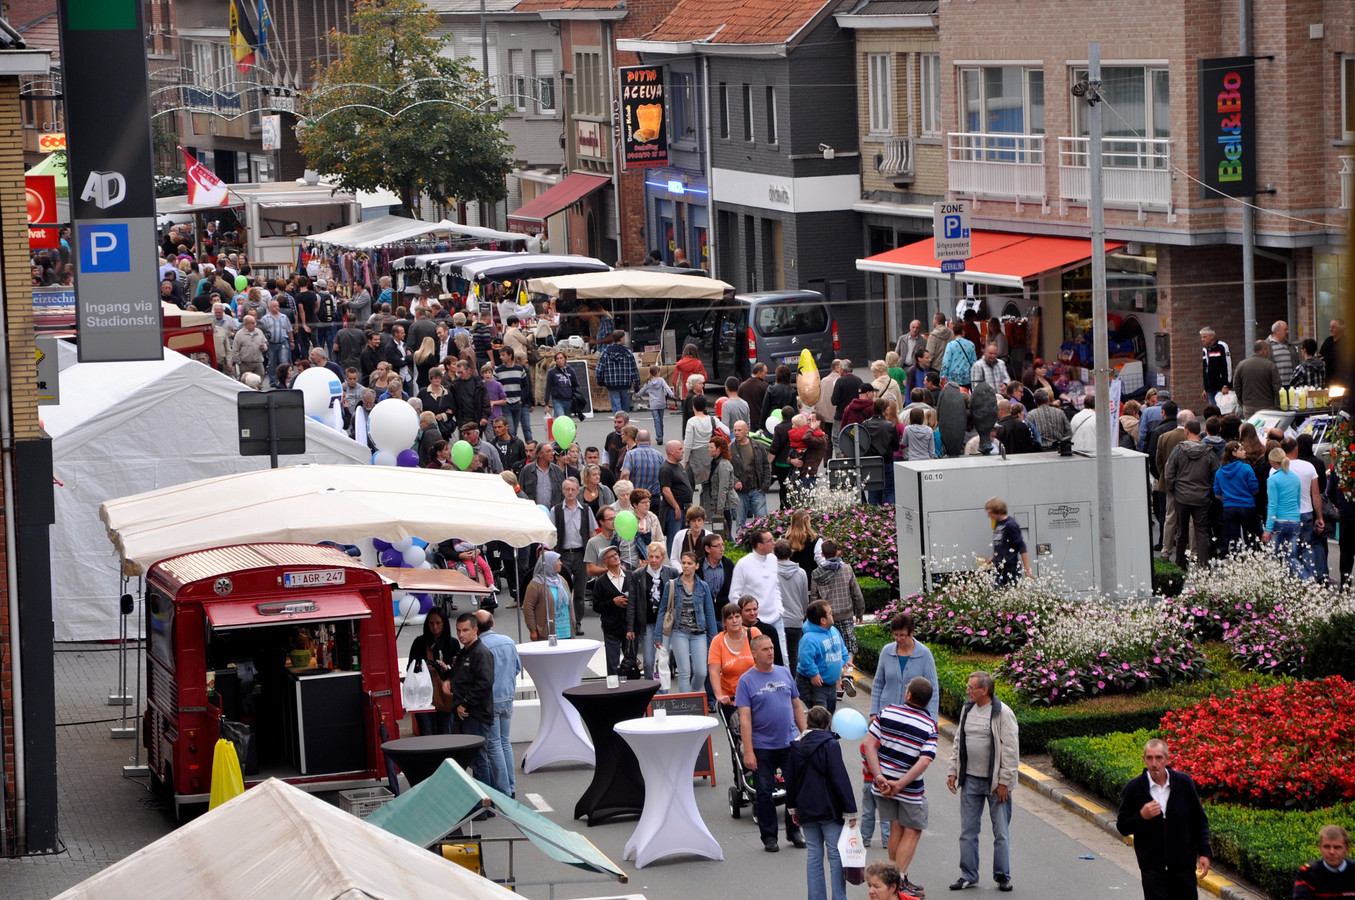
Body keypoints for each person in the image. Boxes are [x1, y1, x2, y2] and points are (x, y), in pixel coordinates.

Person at [865, 676, 939, 900]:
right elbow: (924, 761)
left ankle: (895, 879)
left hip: (883, 785)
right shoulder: (929, 726)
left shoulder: (887, 712)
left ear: (908, 695)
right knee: (913, 829)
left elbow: (869, 744)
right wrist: (900, 784)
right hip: (909, 789)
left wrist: (879, 776)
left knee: (896, 827)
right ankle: (897, 881)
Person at [946, 671, 1020, 893]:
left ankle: (1002, 875)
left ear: (984, 690)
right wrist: (953, 770)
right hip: (970, 780)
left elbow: (1011, 750)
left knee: (1001, 832)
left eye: (971, 688)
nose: (967, 691)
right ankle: (968, 875)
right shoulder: (967, 709)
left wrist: (1004, 782)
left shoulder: (1003, 713)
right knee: (967, 831)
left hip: (996, 784)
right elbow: (959, 741)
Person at [736, 633, 808, 853]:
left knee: (795, 789)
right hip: (762, 746)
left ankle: (794, 831)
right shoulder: (746, 681)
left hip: (789, 742)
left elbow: (796, 706)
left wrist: (806, 735)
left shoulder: (784, 673)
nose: (770, 652)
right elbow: (745, 719)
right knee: (764, 793)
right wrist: (749, 751)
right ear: (754, 654)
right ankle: (769, 837)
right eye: (765, 649)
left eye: (772, 648)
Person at [1116, 738, 1213, 900]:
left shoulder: (1183, 783)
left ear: (1168, 759)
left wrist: (1204, 852)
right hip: (1153, 871)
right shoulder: (1134, 788)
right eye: (1149, 758)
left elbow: (1199, 821)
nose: (1154, 763)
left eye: (1159, 758)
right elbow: (1123, 826)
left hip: (1183, 869)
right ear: (1144, 759)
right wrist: (1141, 816)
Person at [788, 705, 859, 900]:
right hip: (829, 808)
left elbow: (791, 780)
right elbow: (839, 778)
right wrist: (850, 810)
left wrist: (793, 809)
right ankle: (839, 897)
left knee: (813, 854)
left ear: (808, 722)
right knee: (835, 855)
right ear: (827, 724)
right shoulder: (830, 745)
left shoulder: (795, 746)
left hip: (806, 808)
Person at [654, 550, 717, 692]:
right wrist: (658, 636)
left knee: (701, 672)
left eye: (689, 563)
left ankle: (693, 694)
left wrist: (713, 638)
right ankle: (687, 702)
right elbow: (662, 610)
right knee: (684, 672)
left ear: (696, 566)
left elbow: (709, 613)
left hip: (699, 633)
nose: (686, 566)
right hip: (679, 631)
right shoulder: (672, 585)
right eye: (683, 563)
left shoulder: (703, 586)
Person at [1161, 419, 1220, 569]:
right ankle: (1203, 565)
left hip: (1182, 496)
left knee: (1181, 532)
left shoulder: (1178, 450)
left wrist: (1174, 489)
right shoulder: (1208, 452)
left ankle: (1180, 564)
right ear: (1199, 431)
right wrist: (1210, 493)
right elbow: (1215, 474)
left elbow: (1169, 473)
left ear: (1186, 431)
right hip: (1201, 497)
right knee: (1201, 532)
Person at [474, 609, 521, 797]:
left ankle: (504, 790)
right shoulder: (508, 641)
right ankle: (510, 786)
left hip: (490, 700)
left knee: (494, 745)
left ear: (475, 628)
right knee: (504, 742)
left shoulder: (479, 646)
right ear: (492, 623)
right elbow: (517, 668)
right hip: (507, 696)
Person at [447, 613, 495, 784]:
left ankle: (485, 798)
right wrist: (448, 680)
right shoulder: (464, 652)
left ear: (475, 629)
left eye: (465, 630)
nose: (461, 635)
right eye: (458, 630)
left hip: (476, 714)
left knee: (478, 759)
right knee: (473, 758)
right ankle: (487, 796)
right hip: (464, 712)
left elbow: (485, 682)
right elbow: (460, 677)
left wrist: (465, 704)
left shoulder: (481, 653)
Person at [730, 528, 787, 663]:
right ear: (760, 545)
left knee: (783, 660)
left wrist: (779, 609)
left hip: (776, 619)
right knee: (755, 661)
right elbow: (734, 595)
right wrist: (745, 616)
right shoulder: (743, 564)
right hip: (754, 623)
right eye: (770, 540)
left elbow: (776, 586)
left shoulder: (773, 559)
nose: (774, 543)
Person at [809, 540, 865, 661]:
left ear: (822, 554)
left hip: (826, 618)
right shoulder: (847, 569)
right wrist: (859, 613)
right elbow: (857, 594)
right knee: (849, 648)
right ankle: (848, 670)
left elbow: (813, 598)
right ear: (837, 553)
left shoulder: (816, 574)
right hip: (845, 615)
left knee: (830, 649)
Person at [552, 478, 595, 634]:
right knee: (562, 590)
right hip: (563, 554)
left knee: (580, 591)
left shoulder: (586, 510)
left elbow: (592, 533)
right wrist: (553, 555)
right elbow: (552, 534)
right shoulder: (556, 510)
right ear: (563, 490)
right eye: (567, 489)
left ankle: (577, 623)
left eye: (573, 489)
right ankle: (563, 622)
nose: (570, 492)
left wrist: (592, 557)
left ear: (578, 491)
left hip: (580, 554)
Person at [627, 541, 673, 678]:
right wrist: (630, 627)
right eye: (651, 556)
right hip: (647, 622)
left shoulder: (671, 573)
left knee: (663, 659)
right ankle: (650, 685)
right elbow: (632, 602)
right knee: (648, 661)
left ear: (663, 558)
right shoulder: (638, 575)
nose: (653, 560)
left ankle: (664, 688)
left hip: (664, 623)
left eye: (657, 557)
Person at [407, 609, 456, 735]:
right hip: (423, 696)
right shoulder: (419, 642)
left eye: (438, 623)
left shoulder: (452, 643)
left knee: (445, 732)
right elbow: (410, 668)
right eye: (431, 623)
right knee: (426, 733)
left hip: (444, 694)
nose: (434, 626)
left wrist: (445, 667)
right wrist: (423, 668)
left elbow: (457, 670)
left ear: (444, 623)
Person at [795, 600, 849, 712]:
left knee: (830, 712)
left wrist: (845, 659)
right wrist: (813, 674)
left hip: (831, 684)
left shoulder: (833, 630)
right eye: (830, 613)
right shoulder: (809, 639)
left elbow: (841, 646)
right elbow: (805, 659)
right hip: (815, 685)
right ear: (823, 620)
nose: (832, 614)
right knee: (821, 716)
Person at [708, 601, 762, 708]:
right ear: (724, 622)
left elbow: (765, 660)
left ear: (742, 618)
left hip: (756, 695)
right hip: (732, 699)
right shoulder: (718, 641)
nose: (734, 621)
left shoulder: (754, 633)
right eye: (730, 618)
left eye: (737, 616)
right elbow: (714, 671)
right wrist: (719, 696)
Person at [591, 546, 631, 675]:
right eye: (611, 556)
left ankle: (631, 685)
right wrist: (613, 602)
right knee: (613, 663)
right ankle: (613, 685)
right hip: (611, 627)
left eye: (616, 554)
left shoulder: (631, 576)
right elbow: (596, 606)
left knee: (630, 662)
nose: (615, 557)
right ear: (605, 562)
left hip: (629, 627)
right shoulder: (601, 582)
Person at [1214, 441, 1259, 554]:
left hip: (1229, 507)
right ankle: (1251, 558)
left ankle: (1235, 558)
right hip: (1247, 506)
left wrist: (1226, 499)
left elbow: (1217, 492)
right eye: (1241, 450)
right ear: (1233, 453)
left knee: (1233, 538)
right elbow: (1254, 488)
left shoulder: (1220, 471)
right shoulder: (1246, 468)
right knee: (1250, 537)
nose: (1244, 452)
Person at [1292, 824, 1355, 899]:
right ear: (1320, 848)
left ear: (1347, 849)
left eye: (1337, 847)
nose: (1331, 852)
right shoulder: (1308, 873)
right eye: (1327, 847)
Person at [775, 540, 809, 674]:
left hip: (777, 620)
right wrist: (802, 615)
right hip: (796, 620)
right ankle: (792, 682)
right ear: (791, 552)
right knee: (793, 655)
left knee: (778, 655)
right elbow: (805, 599)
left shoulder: (771, 572)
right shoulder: (801, 573)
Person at [731, 419, 772, 530]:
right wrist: (735, 481)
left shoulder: (758, 446)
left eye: (739, 430)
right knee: (740, 523)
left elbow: (766, 466)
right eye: (734, 430)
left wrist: (765, 486)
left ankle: (761, 540)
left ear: (746, 430)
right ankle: (741, 540)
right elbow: (727, 470)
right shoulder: (731, 448)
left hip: (757, 489)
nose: (736, 433)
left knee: (762, 522)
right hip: (740, 492)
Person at [523, 550, 573, 641]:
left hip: (567, 630)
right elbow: (528, 608)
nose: (561, 563)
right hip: (548, 632)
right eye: (557, 561)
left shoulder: (561, 580)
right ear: (549, 564)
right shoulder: (535, 585)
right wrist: (533, 630)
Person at [984, 497, 1032, 584]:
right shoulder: (998, 524)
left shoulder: (1010, 525)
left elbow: (1021, 545)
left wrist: (1027, 569)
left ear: (998, 511)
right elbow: (1003, 545)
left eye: (990, 512)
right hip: (998, 569)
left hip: (1011, 570)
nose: (989, 515)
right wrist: (994, 558)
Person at [1232, 341, 1282, 418]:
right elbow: (1277, 387)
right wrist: (1277, 404)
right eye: (1268, 350)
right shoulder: (1270, 365)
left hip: (1248, 406)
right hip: (1267, 406)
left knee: (1250, 425)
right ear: (1264, 350)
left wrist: (1241, 402)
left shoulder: (1241, 365)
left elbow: (1236, 385)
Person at [597, 329, 640, 412]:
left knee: (616, 408)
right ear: (621, 339)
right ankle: (624, 420)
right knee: (625, 409)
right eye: (624, 337)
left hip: (611, 384)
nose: (625, 339)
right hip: (625, 384)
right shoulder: (628, 353)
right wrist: (636, 385)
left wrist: (600, 381)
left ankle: (618, 419)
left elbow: (599, 369)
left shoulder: (605, 352)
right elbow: (634, 370)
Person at [659, 439, 694, 540]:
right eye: (680, 449)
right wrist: (676, 507)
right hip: (674, 511)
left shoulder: (678, 465)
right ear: (672, 452)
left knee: (685, 539)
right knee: (674, 539)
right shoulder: (666, 469)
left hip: (685, 508)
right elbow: (666, 490)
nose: (683, 451)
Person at [638, 365, 675, 442]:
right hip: (661, 403)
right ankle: (661, 435)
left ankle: (659, 437)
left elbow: (642, 390)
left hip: (653, 403)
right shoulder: (661, 380)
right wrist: (673, 395)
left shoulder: (648, 382)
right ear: (657, 372)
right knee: (661, 420)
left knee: (656, 420)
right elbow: (667, 388)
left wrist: (637, 395)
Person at [1200, 327, 1232, 407]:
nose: (1202, 339)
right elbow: (1205, 369)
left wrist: (1226, 384)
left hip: (1220, 386)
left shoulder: (1222, 346)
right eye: (1202, 337)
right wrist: (1206, 387)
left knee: (1223, 408)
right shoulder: (1205, 349)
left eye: (1205, 337)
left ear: (1212, 337)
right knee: (1213, 409)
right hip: (1210, 387)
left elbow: (1227, 365)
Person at [546, 351, 578, 420]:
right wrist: (546, 404)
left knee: (567, 421)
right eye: (557, 359)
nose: (559, 360)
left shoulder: (571, 371)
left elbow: (576, 385)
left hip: (569, 400)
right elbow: (548, 388)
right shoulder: (551, 372)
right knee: (561, 419)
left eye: (561, 358)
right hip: (558, 400)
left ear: (565, 359)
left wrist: (576, 398)